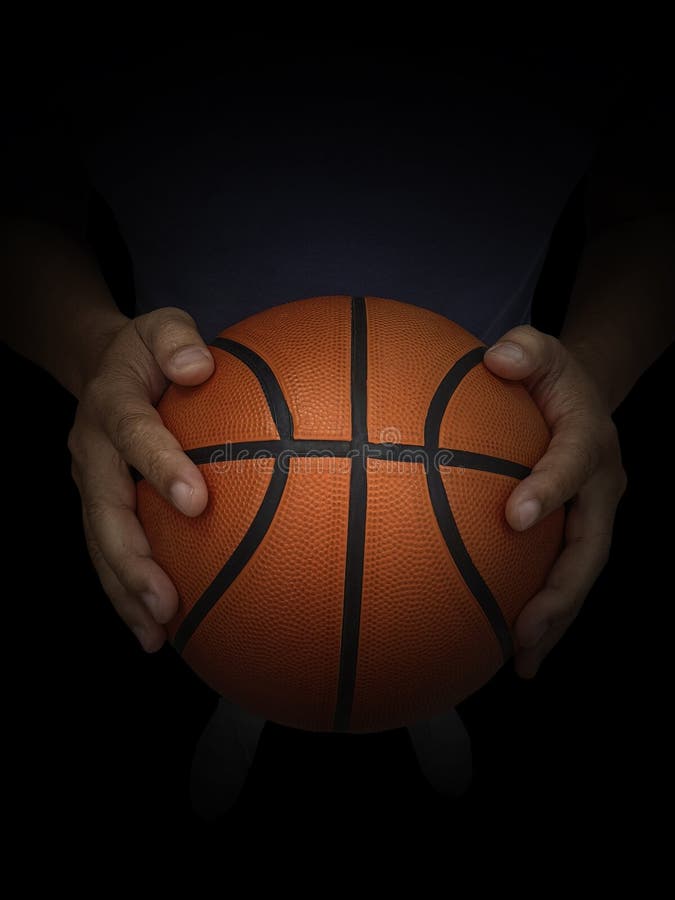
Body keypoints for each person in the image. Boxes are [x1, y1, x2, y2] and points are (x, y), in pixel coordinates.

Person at [2, 42, 673, 817]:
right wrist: (93, 354)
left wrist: (591, 369)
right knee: (253, 604)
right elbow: (19, 200)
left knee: (425, 603)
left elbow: (648, 210)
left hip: (488, 441)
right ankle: (250, 689)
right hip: (200, 433)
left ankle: (421, 690)